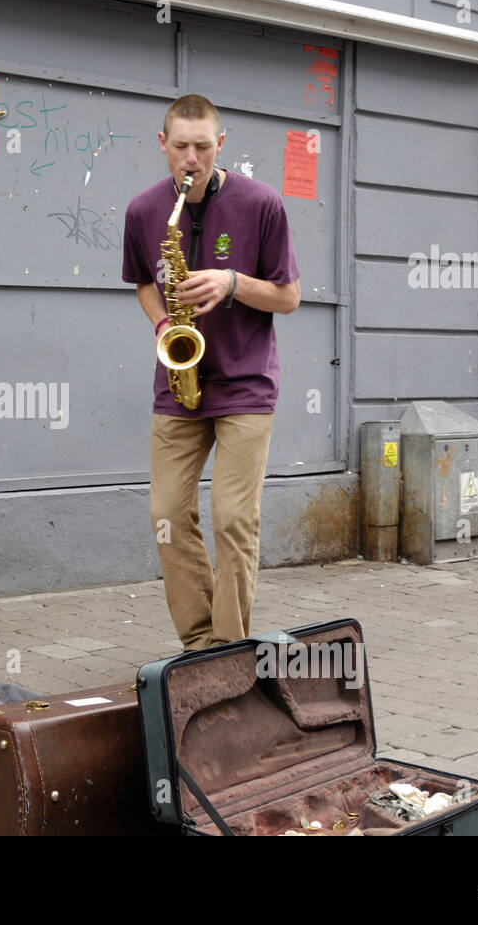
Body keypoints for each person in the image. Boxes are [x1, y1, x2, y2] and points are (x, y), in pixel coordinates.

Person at [122, 94, 300, 650]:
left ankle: (230, 648)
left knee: (233, 520)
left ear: (220, 145)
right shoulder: (143, 210)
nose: (191, 159)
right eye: (181, 147)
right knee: (167, 515)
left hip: (246, 385)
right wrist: (161, 326)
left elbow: (289, 297)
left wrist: (230, 283)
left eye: (203, 146)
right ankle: (199, 646)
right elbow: (145, 283)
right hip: (180, 382)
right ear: (163, 145)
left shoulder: (263, 204)